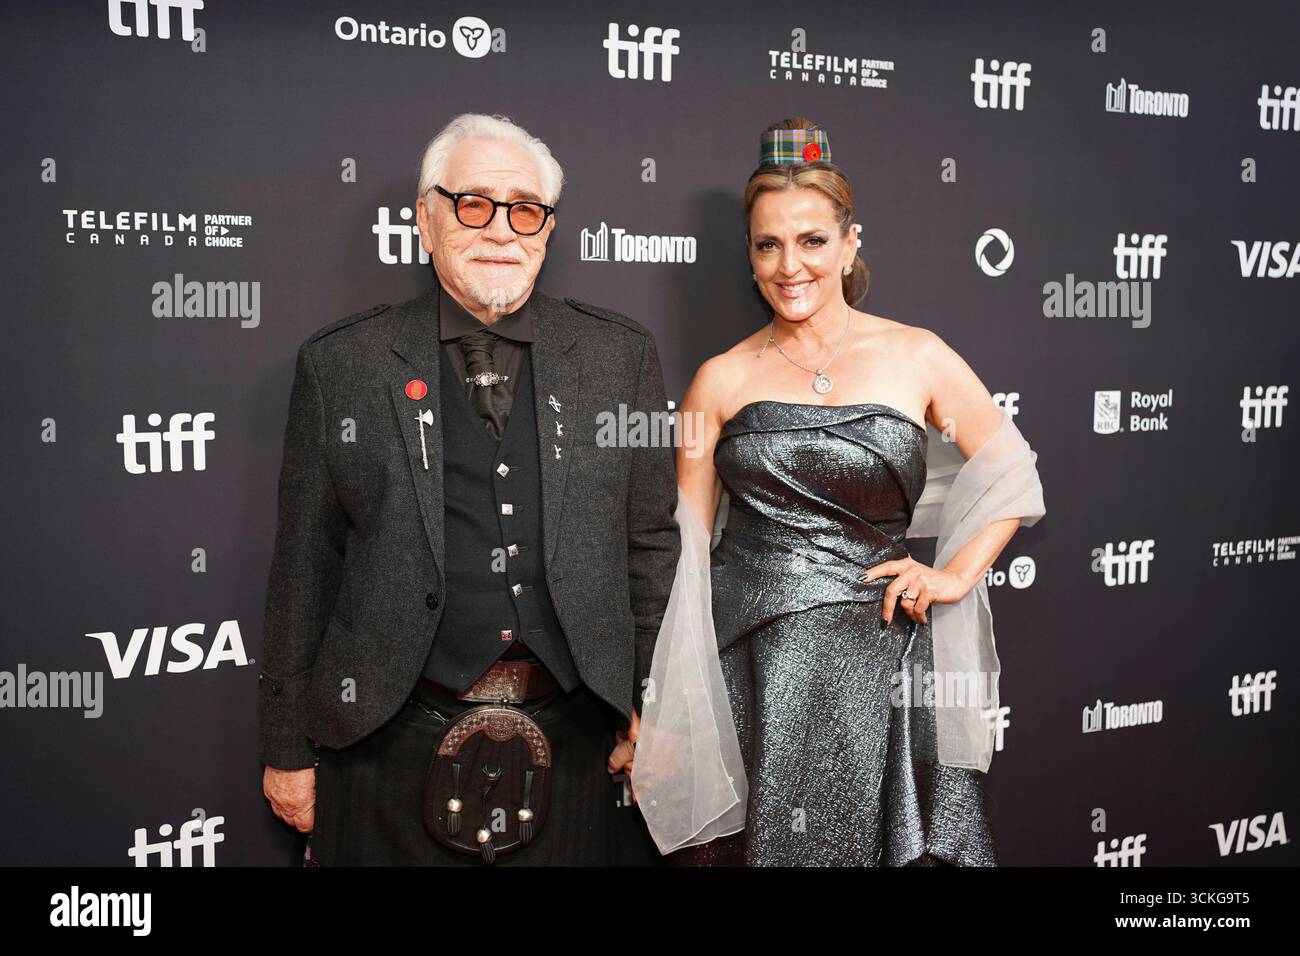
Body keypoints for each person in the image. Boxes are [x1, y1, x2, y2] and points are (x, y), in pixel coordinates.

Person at [257, 112, 679, 865]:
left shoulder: (621, 357)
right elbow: (305, 566)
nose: (501, 230)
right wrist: (288, 746)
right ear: (426, 219)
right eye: (472, 203)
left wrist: (657, 704)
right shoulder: (343, 364)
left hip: (578, 738)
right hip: (386, 739)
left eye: (525, 209)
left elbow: (649, 545)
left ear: (548, 229)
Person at [633, 117, 1045, 866]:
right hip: (747, 670)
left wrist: (953, 575)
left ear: (850, 243)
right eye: (768, 244)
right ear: (751, 256)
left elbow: (1012, 469)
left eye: (812, 240)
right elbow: (683, 559)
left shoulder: (916, 355)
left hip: (882, 666)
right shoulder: (719, 380)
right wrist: (662, 711)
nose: (791, 264)